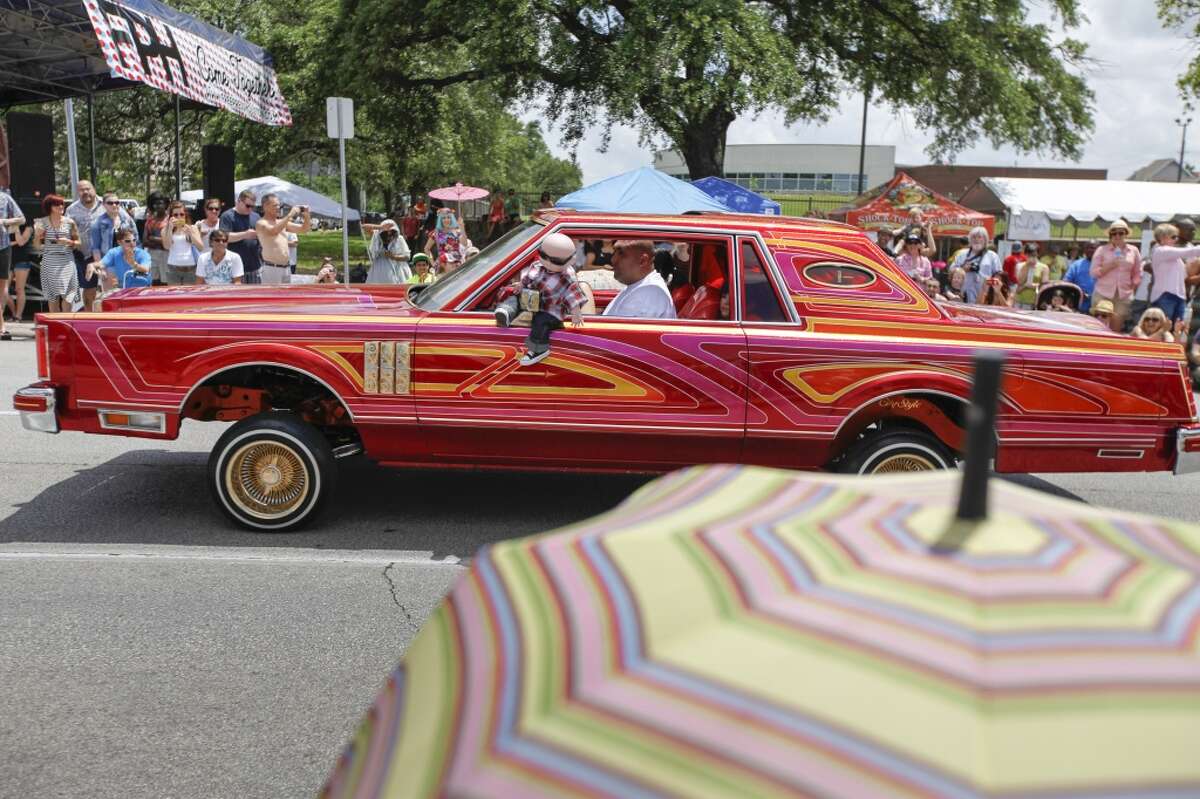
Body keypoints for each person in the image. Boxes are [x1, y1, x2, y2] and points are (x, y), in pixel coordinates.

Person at [494, 232, 586, 366]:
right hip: (533, 300)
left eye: (555, 261)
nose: (547, 262)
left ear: (571, 260)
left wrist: (576, 312)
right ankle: (506, 312)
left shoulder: (567, 276)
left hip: (552, 310)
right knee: (515, 297)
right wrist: (521, 285)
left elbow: (573, 295)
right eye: (543, 255)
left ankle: (538, 350)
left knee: (540, 321)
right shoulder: (537, 265)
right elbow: (528, 278)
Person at [603, 239, 677, 319]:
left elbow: (618, 330)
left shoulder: (648, 294)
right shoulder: (640, 286)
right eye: (615, 252)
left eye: (621, 254)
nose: (613, 260)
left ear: (643, 260)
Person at [1090, 219, 1142, 332]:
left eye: (1121, 233)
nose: (1117, 236)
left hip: (1123, 294)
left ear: (1126, 234)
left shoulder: (1133, 250)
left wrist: (1133, 285)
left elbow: (1138, 272)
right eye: (1114, 233)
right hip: (1103, 293)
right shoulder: (1102, 250)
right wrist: (1110, 265)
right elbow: (1093, 272)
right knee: (1098, 327)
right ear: (1110, 235)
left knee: (1116, 328)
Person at [34, 194, 80, 313]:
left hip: (67, 260)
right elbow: (37, 246)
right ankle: (55, 325)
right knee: (52, 297)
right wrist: (38, 236)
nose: (61, 206)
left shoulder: (70, 222)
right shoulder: (41, 222)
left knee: (68, 296)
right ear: (50, 207)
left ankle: (66, 323)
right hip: (50, 261)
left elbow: (79, 243)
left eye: (62, 204)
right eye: (57, 204)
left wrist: (69, 242)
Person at [1148, 222, 1200, 324]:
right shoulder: (1160, 250)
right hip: (1165, 296)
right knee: (1162, 330)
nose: (1176, 239)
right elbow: (1190, 251)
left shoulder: (1175, 258)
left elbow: (1184, 275)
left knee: (1176, 331)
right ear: (1162, 238)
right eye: (1173, 237)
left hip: (1179, 297)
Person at [66, 180, 104, 309]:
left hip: (105, 254)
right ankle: (89, 315)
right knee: (89, 288)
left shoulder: (107, 204)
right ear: (78, 192)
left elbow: (125, 222)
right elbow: (65, 231)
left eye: (88, 188)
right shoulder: (71, 209)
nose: (85, 192)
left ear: (94, 189)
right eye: (82, 190)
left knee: (110, 288)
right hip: (84, 254)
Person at [256, 194, 310, 284]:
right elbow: (274, 231)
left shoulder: (281, 222)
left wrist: (307, 215)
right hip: (272, 268)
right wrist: (290, 214)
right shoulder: (261, 223)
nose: (278, 207)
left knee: (285, 296)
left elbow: (304, 229)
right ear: (265, 206)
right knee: (272, 297)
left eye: (279, 205)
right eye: (275, 205)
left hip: (286, 268)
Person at [948, 227, 1001, 303]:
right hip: (963, 296)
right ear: (970, 240)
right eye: (974, 237)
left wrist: (986, 283)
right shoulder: (962, 254)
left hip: (984, 297)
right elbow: (951, 272)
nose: (976, 240)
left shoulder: (992, 256)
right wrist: (963, 269)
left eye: (979, 237)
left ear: (985, 240)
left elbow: (998, 277)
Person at [220, 189, 261, 283]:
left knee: (255, 296)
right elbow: (224, 237)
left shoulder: (256, 216)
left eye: (252, 206)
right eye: (248, 206)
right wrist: (245, 234)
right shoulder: (227, 216)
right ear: (239, 201)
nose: (250, 209)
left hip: (254, 267)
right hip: (234, 268)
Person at [0, 188, 26, 338]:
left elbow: (21, 218)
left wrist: (4, 221)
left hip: (2, 245)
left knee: (3, 285)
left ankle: (1, 323)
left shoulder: (4, 198)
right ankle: (1, 324)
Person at [161, 200, 202, 285]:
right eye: (175, 215)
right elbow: (167, 246)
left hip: (191, 268)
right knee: (174, 296)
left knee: (189, 297)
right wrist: (170, 229)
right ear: (171, 216)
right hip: (173, 268)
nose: (179, 217)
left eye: (182, 214)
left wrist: (190, 234)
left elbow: (201, 247)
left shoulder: (192, 228)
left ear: (185, 215)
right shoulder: (165, 230)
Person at [90, 192, 138, 262]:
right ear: (103, 205)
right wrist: (100, 267)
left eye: (117, 202)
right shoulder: (97, 223)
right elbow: (95, 248)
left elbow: (136, 240)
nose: (114, 205)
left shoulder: (127, 220)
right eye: (110, 203)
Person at [3, 222, 33, 330]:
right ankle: (14, 312)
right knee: (4, 290)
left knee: (19, 289)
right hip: (7, 260)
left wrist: (15, 229)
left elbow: (21, 242)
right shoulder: (4, 225)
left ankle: (18, 316)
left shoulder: (28, 227)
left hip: (21, 260)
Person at [1064, 240, 1099, 313]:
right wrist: (1078, 291)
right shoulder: (1076, 265)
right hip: (1079, 305)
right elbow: (1066, 283)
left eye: (1093, 248)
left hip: (1099, 306)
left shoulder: (1105, 264)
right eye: (1087, 248)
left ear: (1098, 249)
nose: (1090, 250)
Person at [142, 191, 169, 285]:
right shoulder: (150, 220)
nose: (157, 206)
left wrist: (152, 238)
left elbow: (169, 243)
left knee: (166, 283)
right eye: (154, 203)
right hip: (152, 255)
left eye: (160, 203)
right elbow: (144, 241)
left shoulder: (170, 220)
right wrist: (161, 241)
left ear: (165, 204)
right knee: (153, 282)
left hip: (167, 255)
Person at [1014, 242, 1049, 310]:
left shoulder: (1044, 267)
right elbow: (1019, 282)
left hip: (1034, 302)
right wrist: (1027, 266)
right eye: (1029, 255)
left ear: (1037, 254)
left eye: (1034, 255)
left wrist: (1034, 285)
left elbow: (1045, 286)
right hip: (1019, 301)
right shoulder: (1020, 266)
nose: (1031, 257)